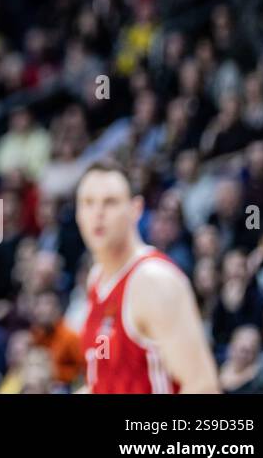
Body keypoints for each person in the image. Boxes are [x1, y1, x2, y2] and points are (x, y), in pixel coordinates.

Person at [75, 160, 220, 392]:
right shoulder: (96, 278)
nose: (97, 214)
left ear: (135, 209)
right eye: (88, 203)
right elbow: (103, 381)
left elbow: (202, 385)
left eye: (110, 202)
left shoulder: (154, 281)